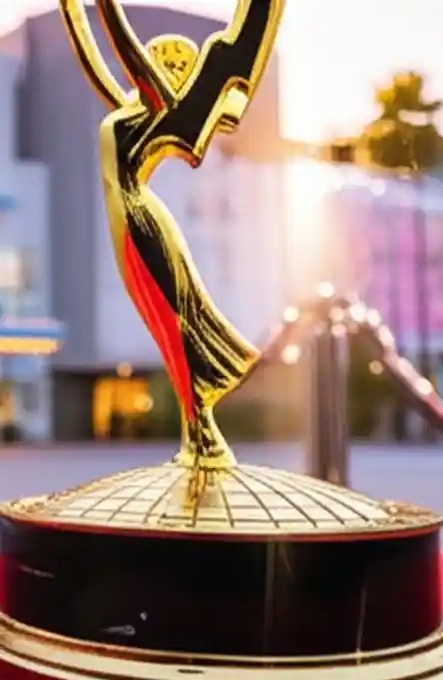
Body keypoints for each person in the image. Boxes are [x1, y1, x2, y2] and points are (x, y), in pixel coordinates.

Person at [59, 0, 281, 472]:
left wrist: (105, 6)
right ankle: (197, 428)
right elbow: (96, 61)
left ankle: (201, 428)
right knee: (166, 325)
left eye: (180, 64)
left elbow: (125, 49)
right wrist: (72, 11)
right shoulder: (128, 110)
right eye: (167, 57)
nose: (169, 65)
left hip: (142, 221)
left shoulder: (162, 107)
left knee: (174, 321)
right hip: (128, 223)